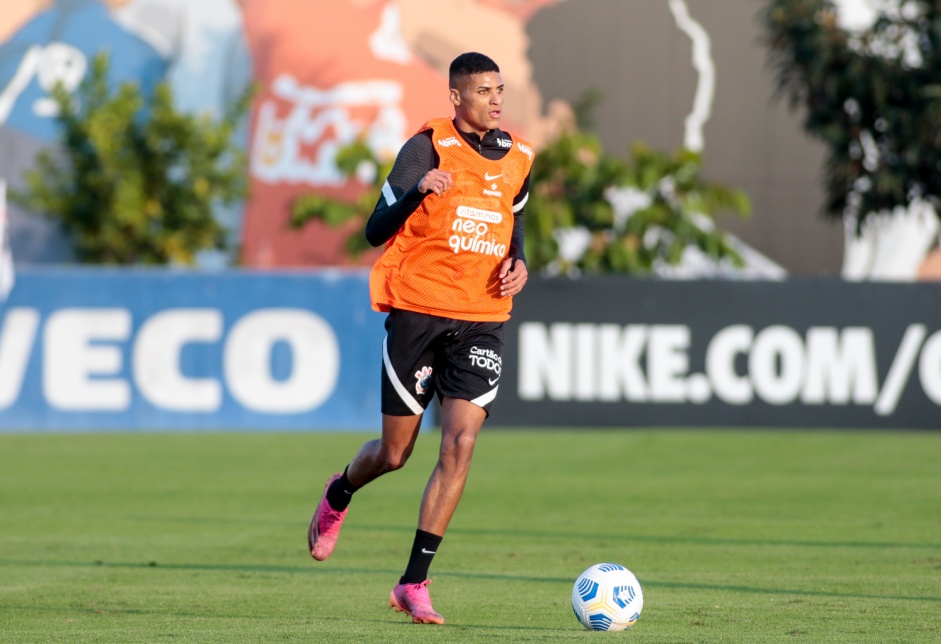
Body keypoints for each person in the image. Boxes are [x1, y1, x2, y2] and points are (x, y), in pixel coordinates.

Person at [307, 51, 534, 625]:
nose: (496, 100)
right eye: (484, 91)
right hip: (417, 315)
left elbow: (516, 221)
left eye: (499, 89)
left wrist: (520, 262)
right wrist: (417, 192)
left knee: (459, 443)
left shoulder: (519, 157)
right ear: (456, 98)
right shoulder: (424, 149)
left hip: (482, 316)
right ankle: (340, 492)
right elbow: (374, 230)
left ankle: (414, 581)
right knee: (395, 453)